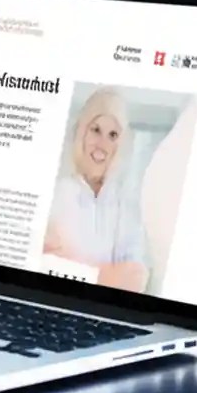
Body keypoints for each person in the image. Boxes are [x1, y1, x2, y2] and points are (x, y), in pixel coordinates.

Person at [44, 88, 149, 292]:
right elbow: (42, 269)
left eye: (113, 135)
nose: (102, 144)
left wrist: (72, 267)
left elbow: (136, 280)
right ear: (81, 133)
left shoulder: (127, 205)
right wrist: (111, 275)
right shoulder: (54, 194)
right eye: (95, 130)